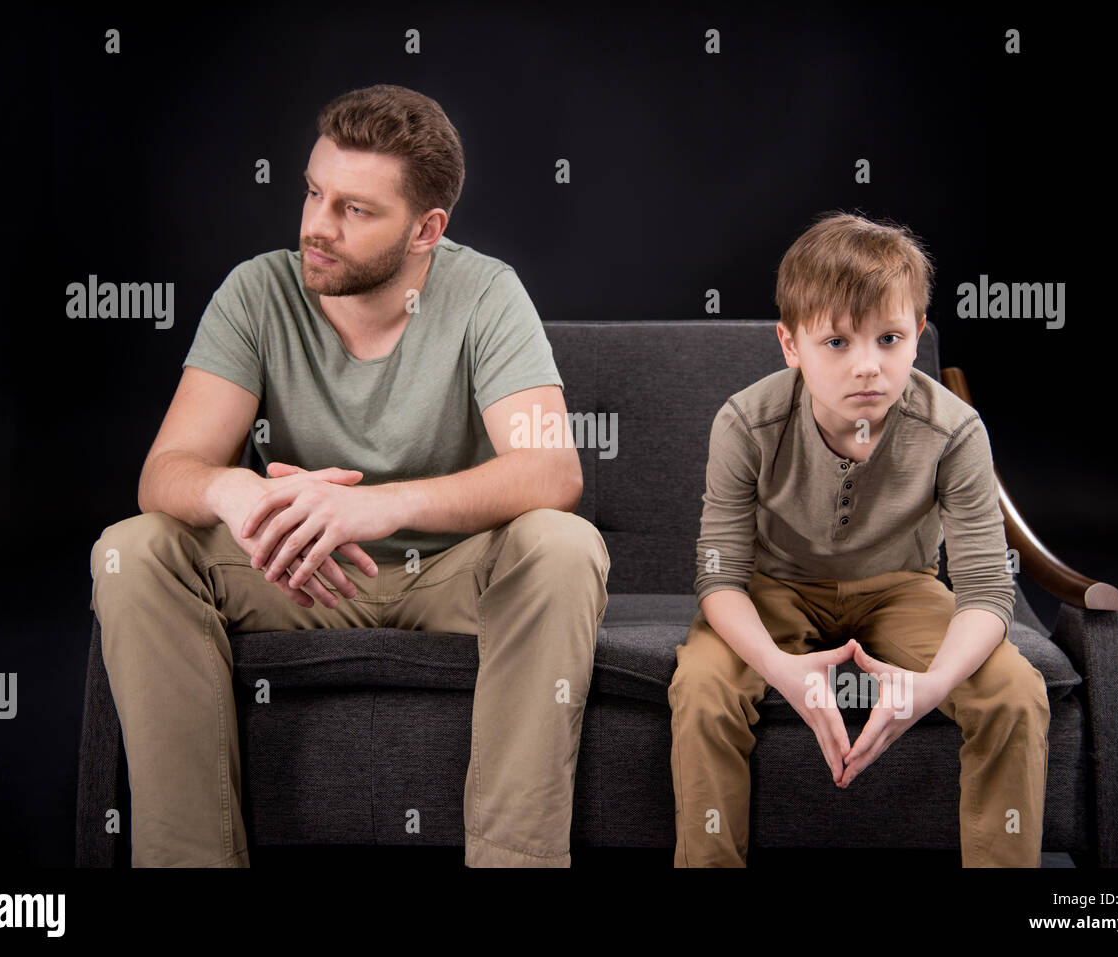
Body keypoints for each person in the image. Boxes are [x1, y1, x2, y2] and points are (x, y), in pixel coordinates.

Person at [90, 84, 609, 868]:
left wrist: (376, 507)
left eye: (355, 210)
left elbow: (553, 469)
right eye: (313, 191)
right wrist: (236, 490)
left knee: (562, 544)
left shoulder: (488, 293)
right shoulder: (256, 292)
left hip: (448, 574)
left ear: (427, 229)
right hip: (298, 571)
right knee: (133, 548)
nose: (316, 226)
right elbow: (166, 471)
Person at [668, 211, 1050, 867]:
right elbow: (721, 578)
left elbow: (987, 591)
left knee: (1014, 688)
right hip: (776, 586)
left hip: (903, 587)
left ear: (917, 335)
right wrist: (780, 668)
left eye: (889, 338)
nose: (868, 365)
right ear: (791, 346)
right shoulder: (745, 422)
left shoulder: (954, 431)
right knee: (701, 682)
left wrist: (929, 687)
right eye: (838, 343)